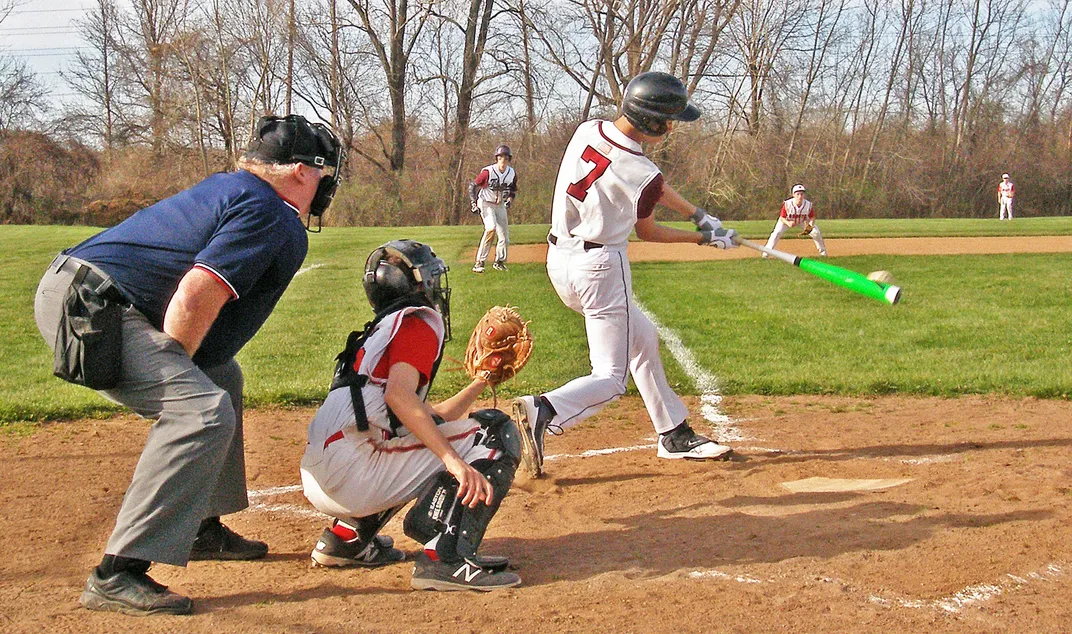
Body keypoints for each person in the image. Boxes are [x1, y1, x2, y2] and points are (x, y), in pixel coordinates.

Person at [32, 114, 343, 616]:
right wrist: (175, 379)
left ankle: (201, 524)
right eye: (325, 175)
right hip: (94, 311)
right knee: (198, 411)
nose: (327, 187)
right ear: (302, 171)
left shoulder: (235, 188)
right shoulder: (271, 212)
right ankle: (118, 572)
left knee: (220, 374)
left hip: (81, 292)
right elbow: (197, 293)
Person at [511, 71, 739, 478]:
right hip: (600, 270)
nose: (671, 128)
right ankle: (541, 410)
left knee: (643, 338)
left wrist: (698, 214)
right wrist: (701, 239)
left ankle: (673, 434)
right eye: (668, 120)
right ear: (650, 121)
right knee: (611, 378)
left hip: (559, 259)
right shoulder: (640, 170)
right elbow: (648, 229)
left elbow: (653, 185)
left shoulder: (589, 130)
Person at [300, 240, 523, 591]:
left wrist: (482, 381)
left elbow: (426, 417)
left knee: (421, 434)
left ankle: (347, 538)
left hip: (324, 475)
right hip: (356, 474)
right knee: (495, 433)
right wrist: (453, 461)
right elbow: (401, 398)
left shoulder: (378, 333)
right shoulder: (419, 322)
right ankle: (444, 558)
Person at [470, 145, 517, 273]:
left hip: (500, 204)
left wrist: (509, 200)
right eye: (501, 157)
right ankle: (479, 262)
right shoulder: (488, 172)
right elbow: (473, 186)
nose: (503, 159)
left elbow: (513, 190)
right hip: (486, 202)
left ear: (509, 159)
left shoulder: (511, 173)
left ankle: (499, 262)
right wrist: (473, 203)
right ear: (497, 158)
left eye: (506, 157)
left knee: (504, 237)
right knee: (491, 228)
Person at [764, 184, 827, 257]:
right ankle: (766, 253)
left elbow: (812, 217)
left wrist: (810, 226)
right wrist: (788, 223)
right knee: (776, 233)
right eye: (798, 194)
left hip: (802, 221)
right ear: (793, 195)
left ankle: (823, 254)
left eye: (802, 194)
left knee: (816, 233)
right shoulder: (788, 204)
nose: (800, 196)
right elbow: (782, 217)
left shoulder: (808, 204)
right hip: (787, 221)